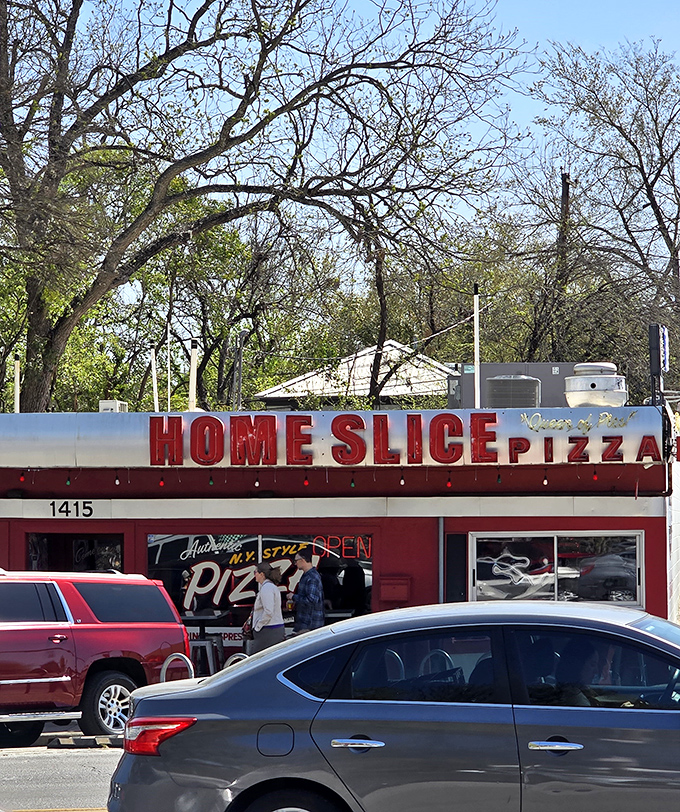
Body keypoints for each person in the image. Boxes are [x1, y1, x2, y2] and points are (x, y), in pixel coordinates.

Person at [288, 548, 325, 634]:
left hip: (310, 625)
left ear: (303, 560)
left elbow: (311, 600)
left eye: (296, 561)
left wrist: (293, 597)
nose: (295, 563)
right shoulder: (308, 576)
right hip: (307, 623)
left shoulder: (312, 577)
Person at [251, 562, 285, 653]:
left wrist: (258, 626)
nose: (254, 575)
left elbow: (269, 611)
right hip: (271, 628)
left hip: (269, 629)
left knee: (259, 658)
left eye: (255, 572)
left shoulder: (267, 588)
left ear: (262, 574)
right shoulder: (270, 587)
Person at [555, 638, 600, 706]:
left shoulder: (564, 691)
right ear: (578, 666)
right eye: (592, 664)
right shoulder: (577, 700)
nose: (596, 671)